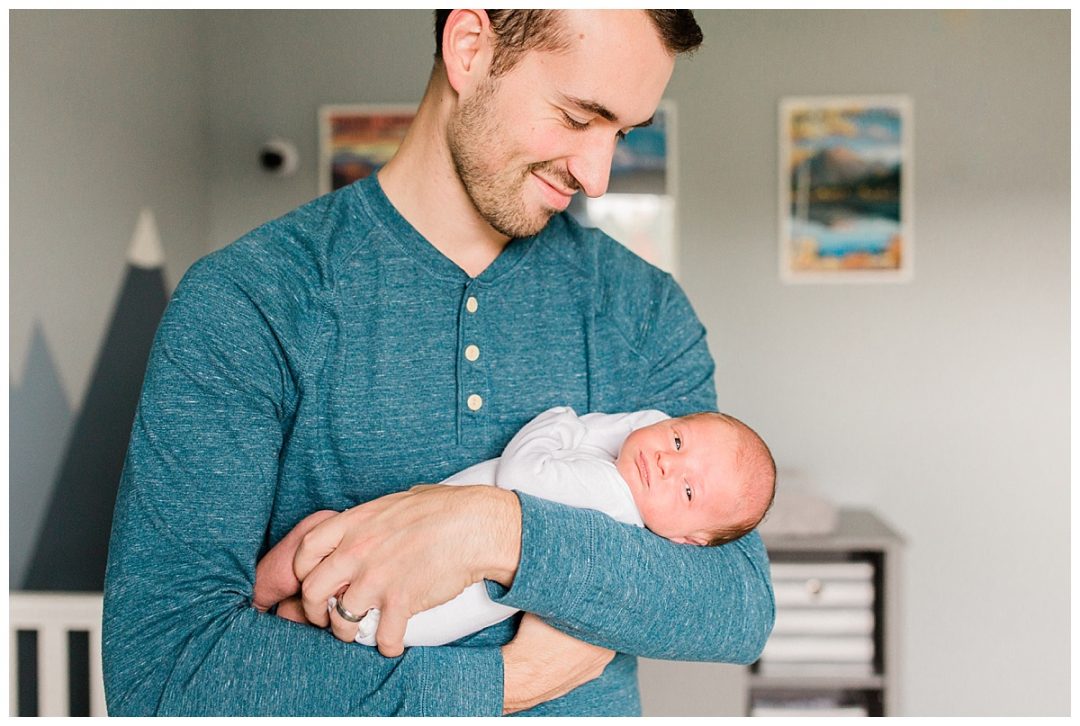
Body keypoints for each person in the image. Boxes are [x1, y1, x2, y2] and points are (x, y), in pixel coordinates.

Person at [103, 10, 775, 717]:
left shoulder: (643, 310)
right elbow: (163, 673)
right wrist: (510, 681)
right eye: (580, 117)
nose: (598, 176)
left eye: (622, 134)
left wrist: (490, 530)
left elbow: (735, 606)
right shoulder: (250, 301)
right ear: (469, 47)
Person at [253, 406, 777, 646]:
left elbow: (523, 472)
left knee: (317, 533)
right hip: (406, 621)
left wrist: (561, 421)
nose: (667, 462)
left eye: (688, 491)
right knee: (303, 615)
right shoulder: (625, 496)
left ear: (687, 541)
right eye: (679, 440)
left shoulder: (608, 496)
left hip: (397, 594)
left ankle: (246, 605)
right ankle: (268, 619)